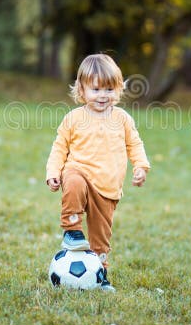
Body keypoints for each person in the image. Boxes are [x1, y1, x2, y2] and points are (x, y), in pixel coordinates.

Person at [45, 54, 151, 292]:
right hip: (79, 170)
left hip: (107, 188)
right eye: (96, 89)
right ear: (82, 90)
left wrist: (141, 166)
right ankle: (71, 230)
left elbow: (135, 144)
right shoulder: (73, 118)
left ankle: (100, 274)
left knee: (100, 240)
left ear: (118, 89)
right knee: (72, 182)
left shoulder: (122, 119)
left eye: (109, 89)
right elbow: (59, 146)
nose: (103, 95)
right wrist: (53, 172)